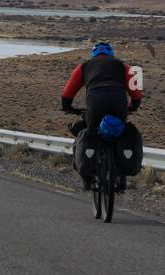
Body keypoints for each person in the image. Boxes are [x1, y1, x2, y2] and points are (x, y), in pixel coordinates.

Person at [60, 42, 142, 190]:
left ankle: (87, 178)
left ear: (93, 55)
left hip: (95, 103)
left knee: (90, 133)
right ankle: (120, 175)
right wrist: (134, 105)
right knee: (120, 131)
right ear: (111, 55)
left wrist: (67, 106)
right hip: (119, 103)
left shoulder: (84, 66)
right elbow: (135, 90)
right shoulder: (124, 67)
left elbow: (69, 90)